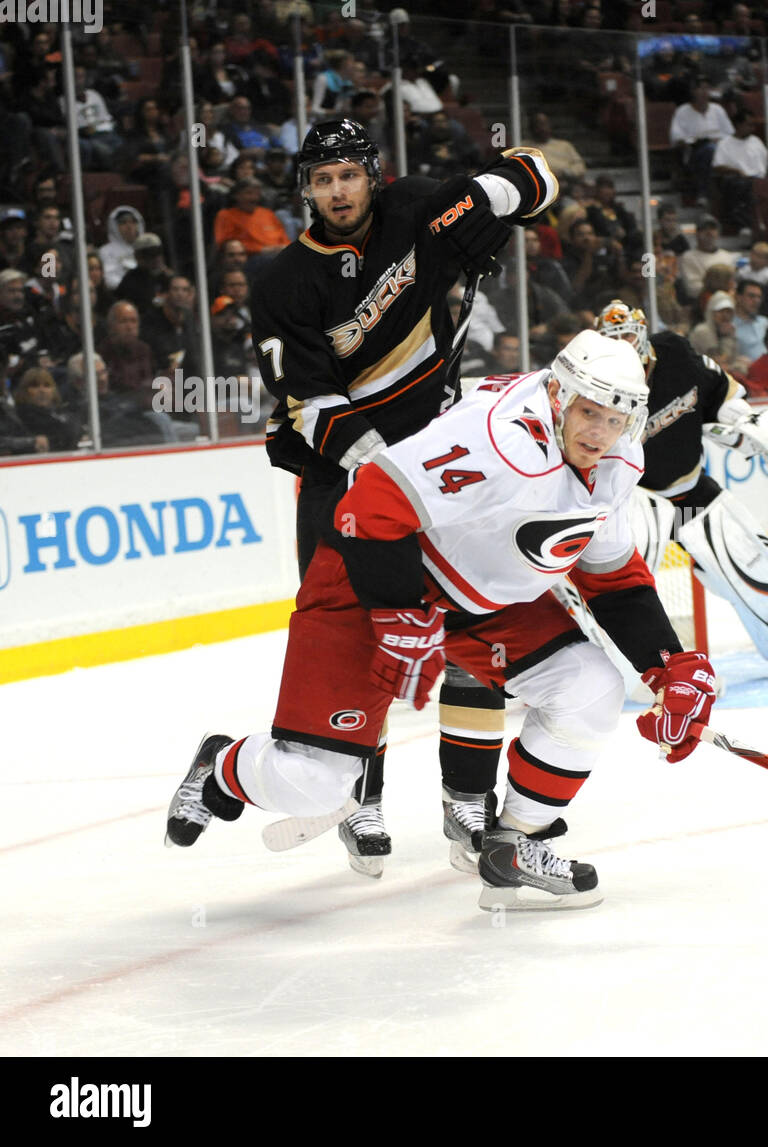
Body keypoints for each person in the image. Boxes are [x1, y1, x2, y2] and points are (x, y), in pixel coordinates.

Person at [166, 332, 718, 910]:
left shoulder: (619, 458)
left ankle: (511, 849)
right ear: (557, 393)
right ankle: (222, 767)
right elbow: (366, 509)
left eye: (613, 419)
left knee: (591, 689)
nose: (598, 433)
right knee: (312, 784)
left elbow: (609, 575)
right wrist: (400, 611)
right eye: (587, 413)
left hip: (479, 598)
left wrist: (667, 666)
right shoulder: (498, 441)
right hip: (368, 578)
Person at [248, 118, 559, 878]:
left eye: (347, 175)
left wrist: (493, 202)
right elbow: (310, 405)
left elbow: (537, 176)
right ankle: (361, 795)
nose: (336, 191)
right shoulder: (284, 281)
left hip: (445, 462)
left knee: (474, 624)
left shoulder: (418, 209)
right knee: (359, 638)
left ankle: (466, 797)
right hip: (344, 480)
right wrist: (395, 477)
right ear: (307, 192)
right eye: (321, 181)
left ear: (372, 174)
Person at [594, 300, 768, 676]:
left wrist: (748, 424)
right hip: (633, 507)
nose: (623, 346)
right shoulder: (594, 387)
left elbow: (718, 393)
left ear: (643, 335)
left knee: (754, 561)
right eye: (613, 340)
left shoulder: (674, 354)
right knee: (626, 593)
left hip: (689, 495)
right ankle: (622, 671)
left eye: (628, 335)